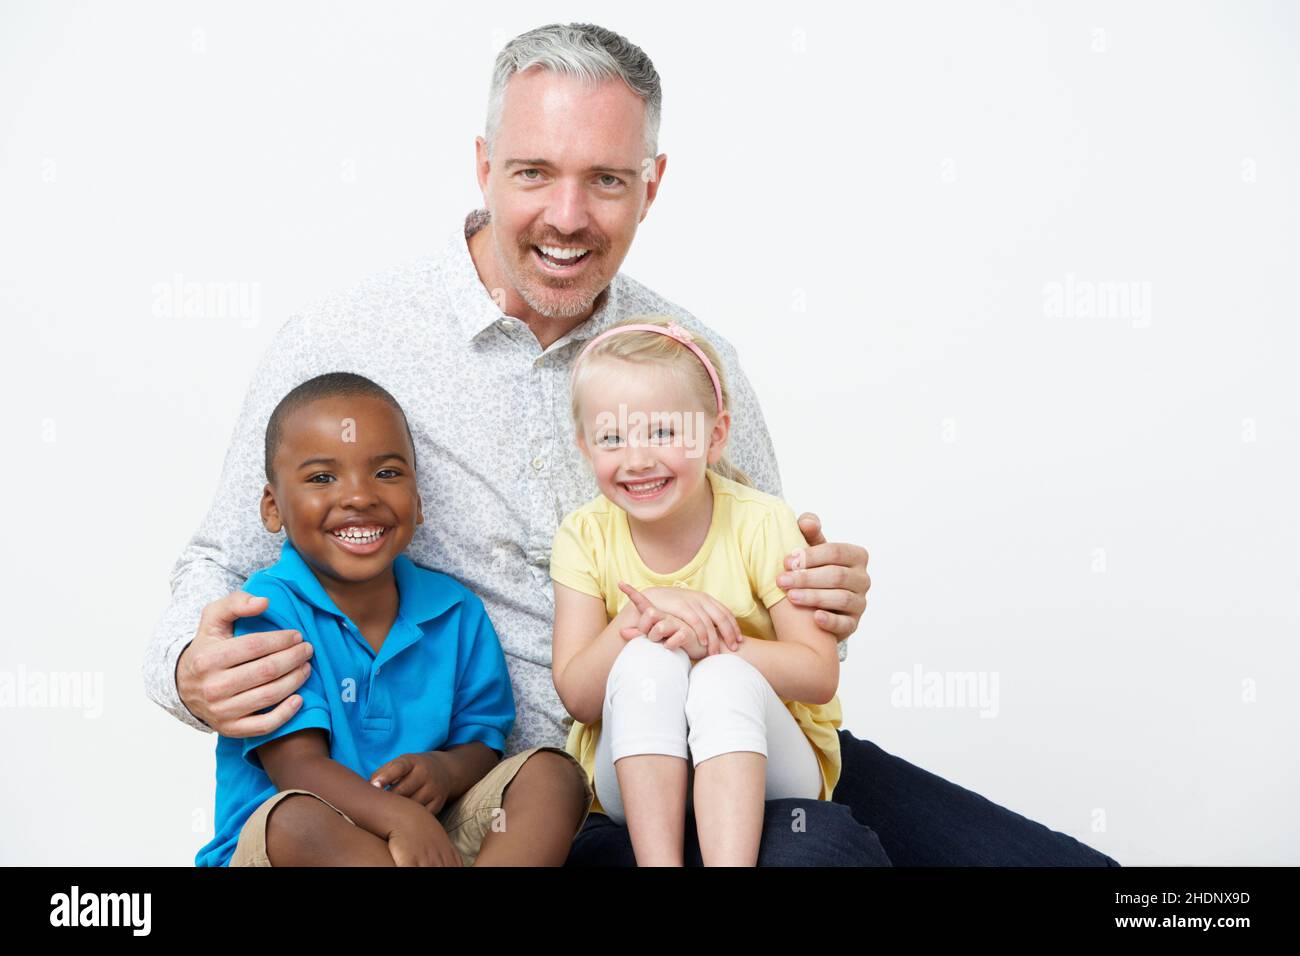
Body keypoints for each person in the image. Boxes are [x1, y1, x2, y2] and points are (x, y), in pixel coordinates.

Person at [145, 22, 1117, 866]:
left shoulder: (694, 360)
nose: (568, 217)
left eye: (605, 180)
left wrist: (818, 597)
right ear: (483, 164)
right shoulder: (342, 345)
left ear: (651, 184)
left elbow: (766, 584)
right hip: (538, 794)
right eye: (534, 173)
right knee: (825, 852)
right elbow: (218, 563)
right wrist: (190, 664)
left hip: (719, 736)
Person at [196, 372, 593, 866]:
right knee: (295, 820)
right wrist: (397, 817)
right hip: (306, 846)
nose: (360, 496)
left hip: (430, 840)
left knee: (551, 776)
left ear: (419, 501)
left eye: (386, 473)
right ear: (273, 507)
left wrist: (444, 772)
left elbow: (482, 741)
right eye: (322, 477)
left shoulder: (455, 611)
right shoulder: (266, 609)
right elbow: (297, 766)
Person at [551, 317, 844, 866]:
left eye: (663, 432)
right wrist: (643, 617)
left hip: (768, 767)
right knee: (644, 656)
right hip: (630, 781)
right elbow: (578, 697)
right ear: (586, 447)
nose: (637, 458)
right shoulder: (583, 535)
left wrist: (705, 643)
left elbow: (818, 674)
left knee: (723, 675)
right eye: (612, 437)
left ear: (715, 436)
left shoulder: (760, 522)